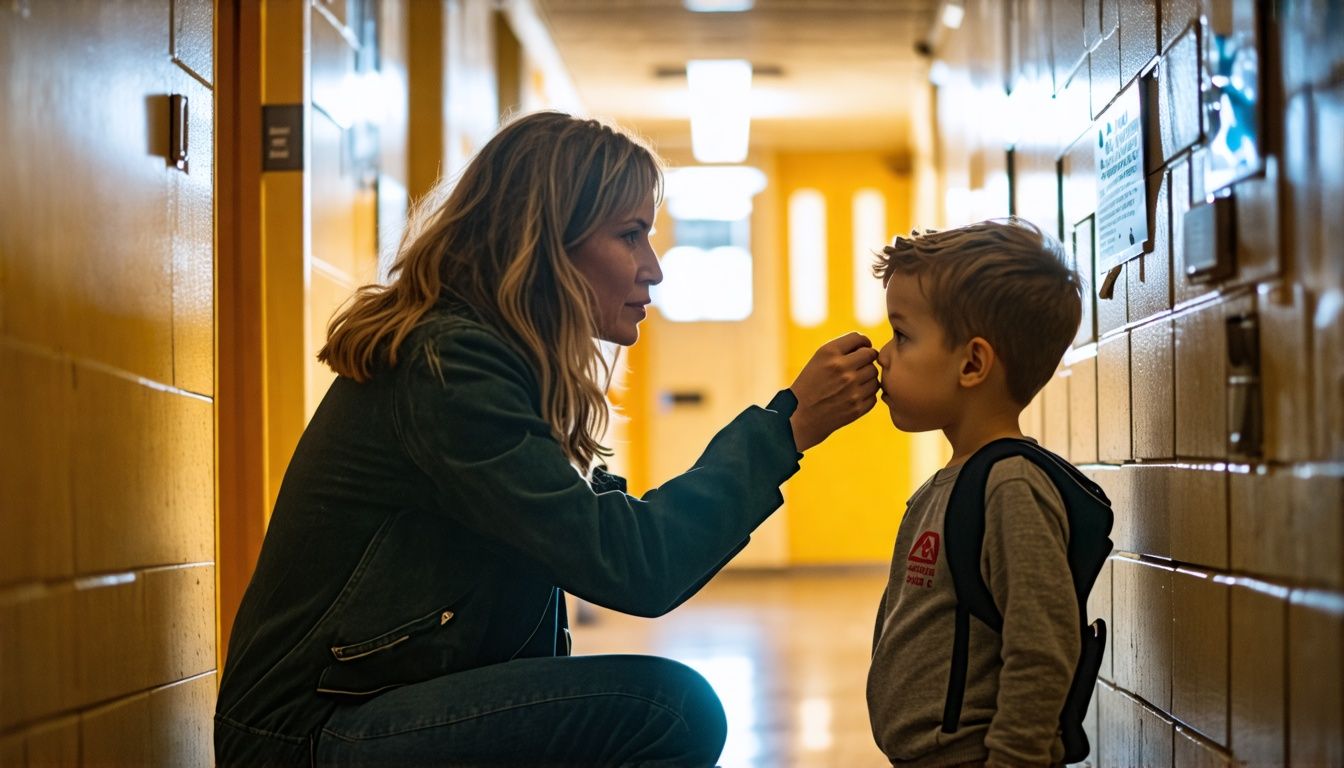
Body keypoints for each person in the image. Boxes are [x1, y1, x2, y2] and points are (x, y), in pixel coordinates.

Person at [214, 111, 880, 767]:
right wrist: (786, 428)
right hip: (304, 734)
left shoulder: (487, 358)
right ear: (543, 243)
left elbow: (608, 538)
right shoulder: (449, 368)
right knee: (670, 709)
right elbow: (635, 567)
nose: (654, 268)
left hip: (360, 710)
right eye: (630, 235)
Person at [865, 218, 1085, 766]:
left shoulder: (1010, 487)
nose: (883, 356)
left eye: (902, 335)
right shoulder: (950, 483)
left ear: (972, 363)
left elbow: (1043, 648)